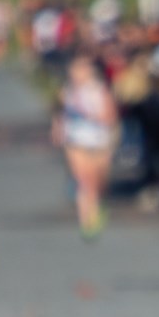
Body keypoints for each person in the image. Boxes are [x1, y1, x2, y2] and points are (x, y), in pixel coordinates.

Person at [52, 52, 119, 238]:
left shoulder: (99, 91)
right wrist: (57, 129)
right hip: (76, 140)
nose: (77, 73)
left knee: (99, 181)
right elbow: (60, 112)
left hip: (98, 140)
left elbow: (111, 116)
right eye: (74, 69)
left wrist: (91, 115)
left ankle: (100, 203)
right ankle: (87, 219)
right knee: (84, 180)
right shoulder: (67, 91)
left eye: (81, 69)